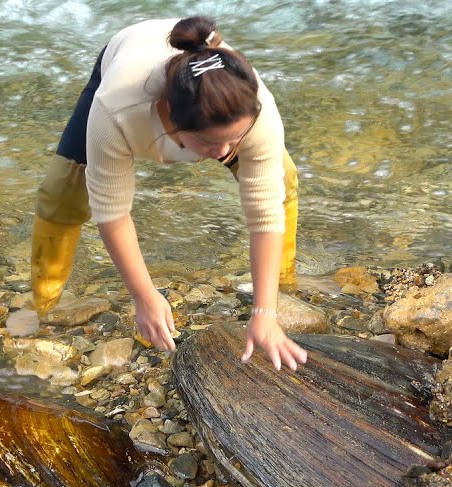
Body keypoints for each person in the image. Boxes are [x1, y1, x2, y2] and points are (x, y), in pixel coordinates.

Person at [30, 16, 308, 371]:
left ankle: (285, 281)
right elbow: (111, 211)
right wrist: (144, 296)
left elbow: (265, 215)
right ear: (172, 118)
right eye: (209, 143)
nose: (224, 153)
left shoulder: (257, 113)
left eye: (234, 140)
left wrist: (265, 313)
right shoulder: (117, 107)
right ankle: (43, 301)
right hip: (125, 58)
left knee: (281, 179)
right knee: (62, 192)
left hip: (214, 90)